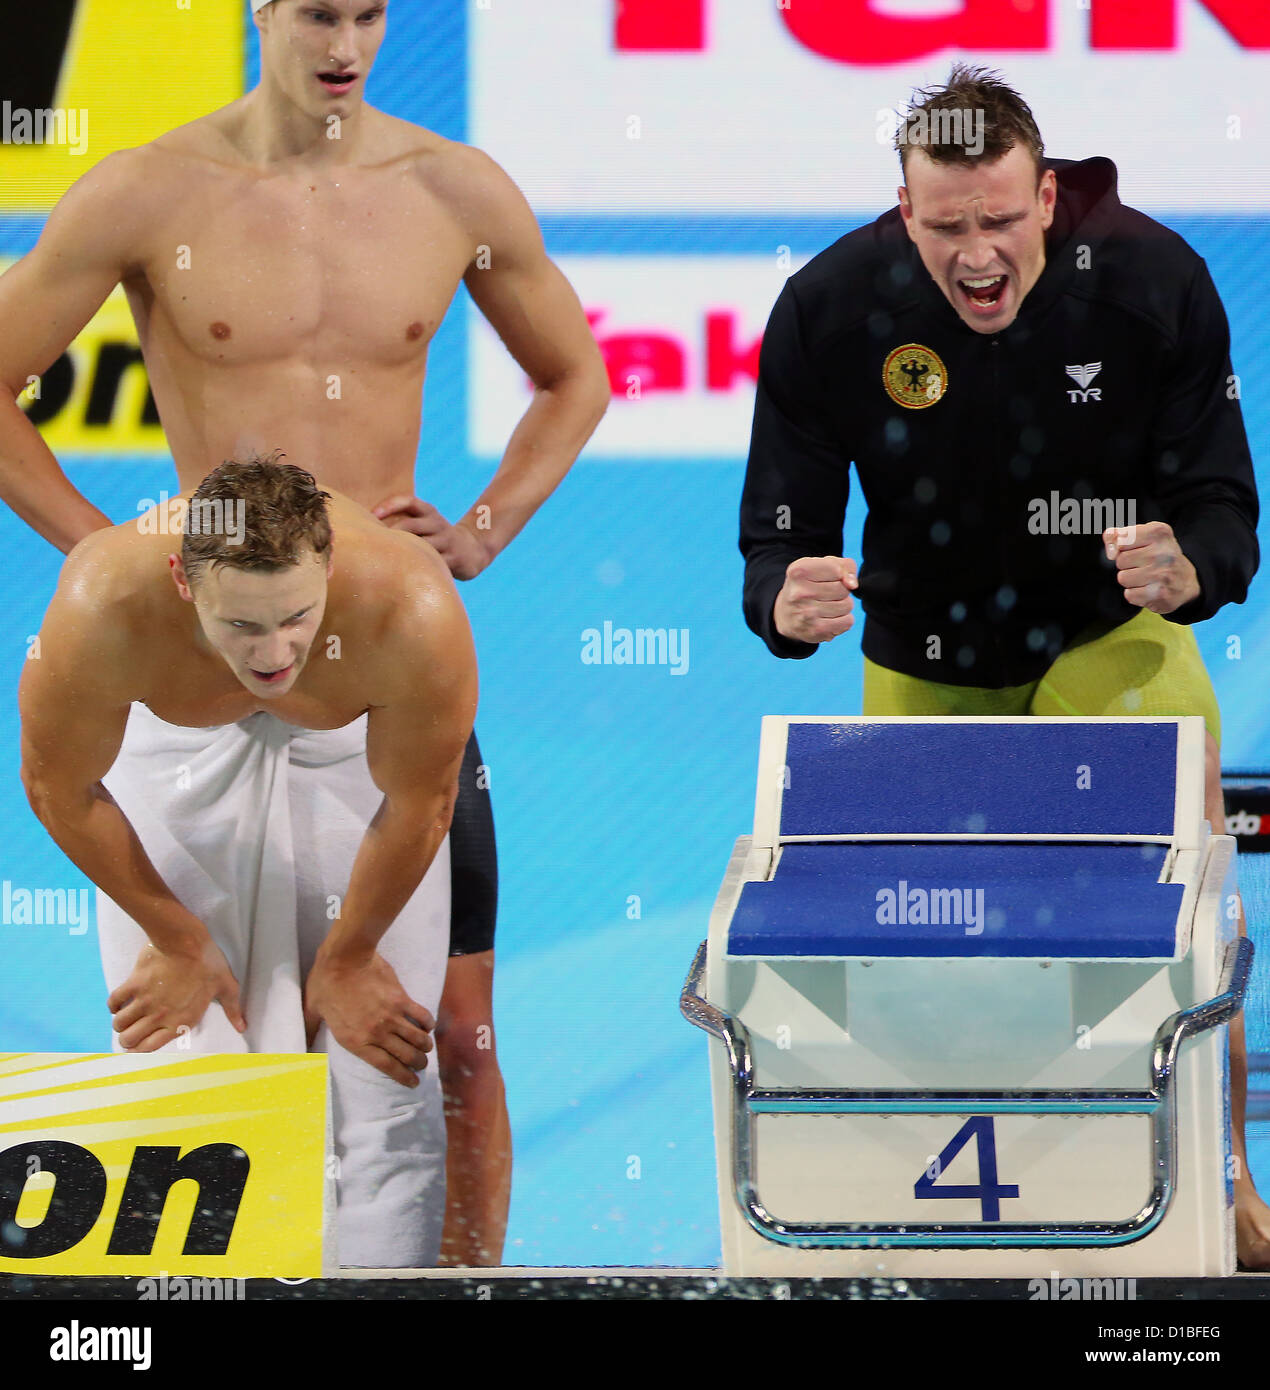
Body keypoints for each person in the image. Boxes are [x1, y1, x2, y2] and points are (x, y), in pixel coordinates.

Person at [0, 0, 610, 1264]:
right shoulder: (146, 192)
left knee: (435, 1039)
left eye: (372, 13)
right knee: (197, 1046)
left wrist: (485, 529)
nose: (346, 41)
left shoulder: (451, 191)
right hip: (193, 663)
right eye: (319, 11)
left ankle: (455, 1295)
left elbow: (577, 374)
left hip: (372, 657)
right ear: (263, 10)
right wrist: (107, 558)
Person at [739, 63, 1267, 1265]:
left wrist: (1196, 565)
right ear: (900, 206)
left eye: (996, 221)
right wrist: (786, 596)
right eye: (944, 228)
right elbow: (776, 534)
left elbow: (1222, 505)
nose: (976, 256)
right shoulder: (830, 307)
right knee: (929, 955)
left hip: (1106, 636)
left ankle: (1226, 1193)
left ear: (1045, 198)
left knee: (1188, 927)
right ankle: (942, 1214)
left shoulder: (1148, 281)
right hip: (927, 654)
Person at [19, 456, 477, 1266]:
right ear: (182, 582)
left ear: (329, 565)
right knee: (191, 1076)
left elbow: (421, 803)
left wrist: (352, 953)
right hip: (173, 749)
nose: (275, 654)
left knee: (378, 1081)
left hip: (347, 746)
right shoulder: (105, 603)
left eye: (297, 616)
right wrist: (176, 941)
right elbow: (59, 787)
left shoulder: (409, 603)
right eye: (243, 626)